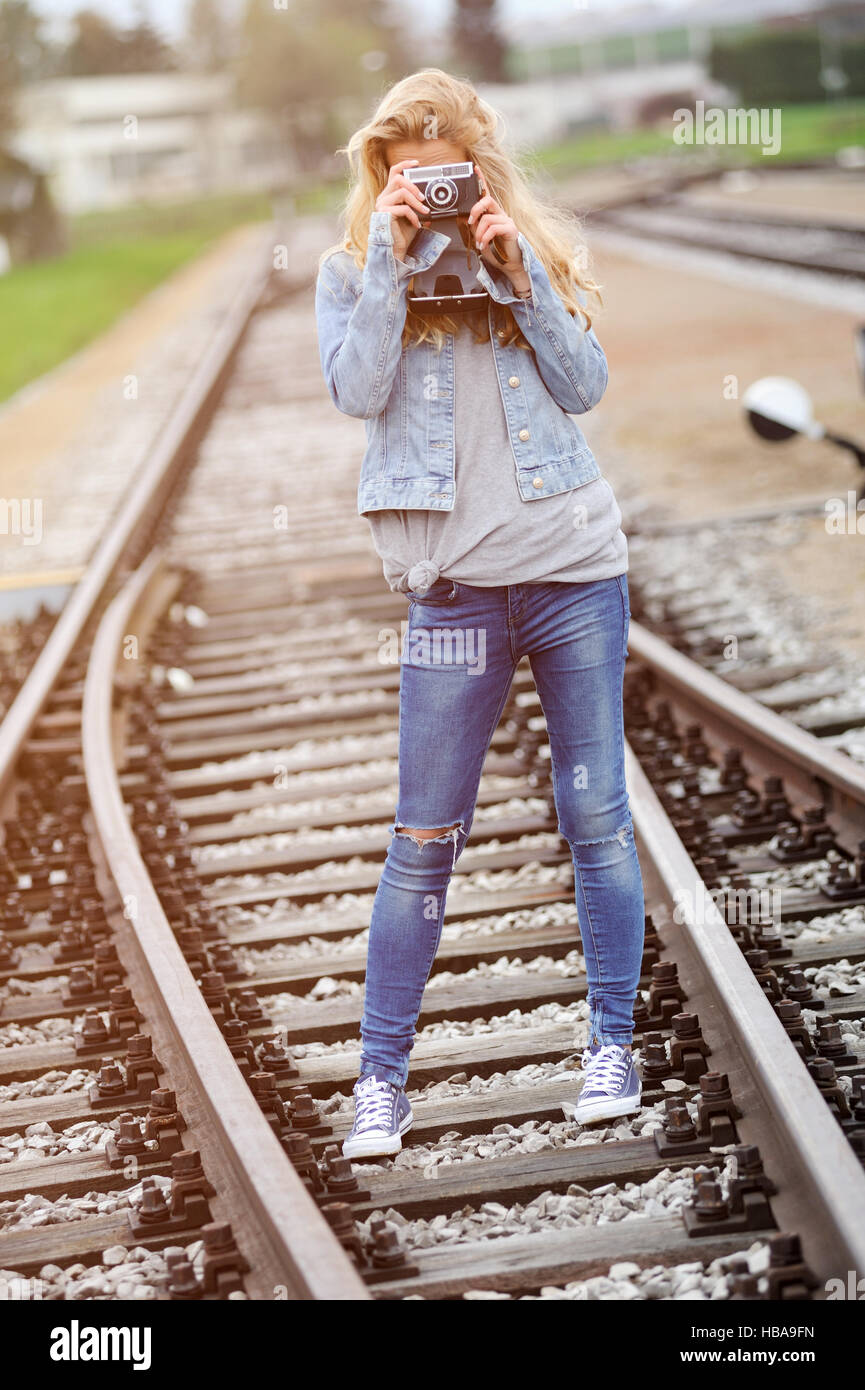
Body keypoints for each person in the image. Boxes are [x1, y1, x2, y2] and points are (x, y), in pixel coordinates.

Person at [314, 68, 645, 1161]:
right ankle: (379, 1082)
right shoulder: (353, 271)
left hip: (572, 573)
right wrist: (390, 261)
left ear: (480, 168)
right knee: (421, 837)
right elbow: (358, 391)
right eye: (413, 181)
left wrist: (517, 272)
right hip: (453, 595)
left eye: (449, 179)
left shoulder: (525, 252)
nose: (434, 198)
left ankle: (609, 1045)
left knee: (594, 818)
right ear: (384, 176)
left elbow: (586, 382)